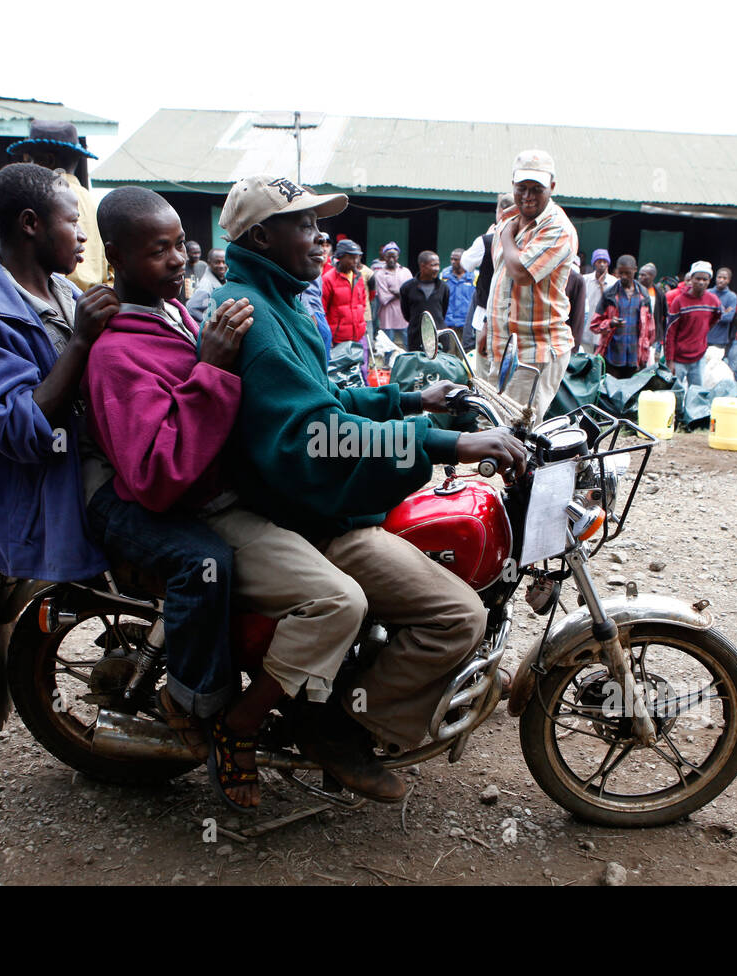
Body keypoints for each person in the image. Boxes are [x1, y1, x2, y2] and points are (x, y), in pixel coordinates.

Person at [209, 174, 526, 792]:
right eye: (302, 224)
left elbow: (328, 399)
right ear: (260, 236)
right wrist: (447, 442)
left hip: (319, 503)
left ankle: (347, 697)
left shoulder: (282, 303)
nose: (319, 236)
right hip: (307, 514)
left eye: (317, 223)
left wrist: (410, 398)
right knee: (458, 617)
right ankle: (337, 725)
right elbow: (322, 434)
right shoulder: (261, 319)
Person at [85, 186, 369, 811]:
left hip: (239, 491)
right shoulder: (117, 354)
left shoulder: (181, 316)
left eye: (179, 246)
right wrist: (211, 368)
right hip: (202, 509)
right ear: (118, 257)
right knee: (338, 602)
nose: (177, 261)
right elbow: (162, 473)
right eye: (158, 251)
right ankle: (228, 721)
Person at [479, 149, 579, 415]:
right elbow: (499, 279)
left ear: (552, 187)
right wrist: (487, 326)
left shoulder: (557, 227)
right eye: (522, 187)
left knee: (516, 433)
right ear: (512, 185)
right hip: (501, 346)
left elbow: (520, 274)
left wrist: (506, 236)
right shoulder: (510, 221)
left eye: (537, 189)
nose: (527, 196)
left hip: (535, 351)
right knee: (493, 424)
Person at [6, 121, 108, 291]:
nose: (29, 166)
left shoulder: (45, 200)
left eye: (31, 159)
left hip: (61, 301)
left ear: (48, 160)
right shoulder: (92, 201)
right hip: (96, 298)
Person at [461, 194, 513, 351]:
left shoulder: (487, 241)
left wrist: (489, 236)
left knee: (485, 367)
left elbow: (466, 263)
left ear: (500, 212)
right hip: (517, 317)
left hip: (487, 313)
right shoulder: (529, 239)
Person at [589, 254, 654, 379]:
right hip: (612, 355)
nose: (624, 277)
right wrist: (610, 323)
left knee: (631, 392)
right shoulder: (610, 294)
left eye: (627, 273)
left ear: (635, 270)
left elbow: (650, 328)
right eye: (621, 273)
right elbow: (594, 324)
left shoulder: (643, 295)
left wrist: (646, 349)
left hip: (635, 356)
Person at [664, 261, 721, 390]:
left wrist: (702, 332)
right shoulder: (679, 302)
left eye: (705, 279)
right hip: (678, 358)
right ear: (691, 279)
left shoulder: (713, 301)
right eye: (698, 278)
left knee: (696, 394)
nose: (701, 282)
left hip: (699, 356)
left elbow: (716, 317)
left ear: (709, 281)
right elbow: (670, 332)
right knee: (674, 393)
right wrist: (670, 360)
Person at [321, 239, 369, 352]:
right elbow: (322, 311)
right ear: (341, 257)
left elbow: (362, 302)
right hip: (337, 339)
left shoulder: (358, 277)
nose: (356, 261)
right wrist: (328, 337)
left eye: (357, 257)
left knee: (360, 368)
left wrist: (361, 326)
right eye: (351, 257)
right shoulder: (328, 279)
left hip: (358, 336)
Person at [400, 251, 449, 349]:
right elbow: (407, 315)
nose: (437, 269)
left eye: (438, 265)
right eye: (433, 265)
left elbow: (443, 311)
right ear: (422, 266)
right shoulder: (407, 287)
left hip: (438, 337)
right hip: (416, 337)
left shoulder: (443, 287)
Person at [374, 243, 412, 350]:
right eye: (388, 256)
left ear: (397, 257)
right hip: (387, 314)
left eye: (393, 256)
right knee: (387, 343)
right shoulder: (380, 274)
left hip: (403, 313)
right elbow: (383, 297)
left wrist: (395, 292)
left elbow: (409, 292)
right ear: (384, 257)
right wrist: (400, 293)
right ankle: (386, 364)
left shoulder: (405, 272)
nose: (391, 259)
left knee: (407, 342)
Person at [581, 249, 615, 353]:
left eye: (604, 262)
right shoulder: (585, 279)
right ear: (594, 263)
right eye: (599, 261)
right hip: (586, 328)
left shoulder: (613, 282)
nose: (602, 265)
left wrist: (601, 285)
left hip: (602, 329)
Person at [184, 248, 228, 321]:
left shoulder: (222, 279)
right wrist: (210, 323)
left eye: (224, 262)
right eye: (217, 262)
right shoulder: (206, 285)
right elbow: (191, 308)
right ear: (209, 263)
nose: (221, 266)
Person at [441, 247, 476, 341]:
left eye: (456, 259)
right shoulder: (444, 275)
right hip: (449, 323)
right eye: (451, 259)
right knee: (449, 353)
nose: (452, 262)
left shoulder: (474, 276)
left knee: (464, 352)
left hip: (467, 323)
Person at [707, 266, 737, 354]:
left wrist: (710, 313)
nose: (721, 280)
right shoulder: (707, 293)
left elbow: (728, 317)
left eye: (725, 278)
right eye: (719, 277)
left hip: (719, 341)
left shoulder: (732, 297)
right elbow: (701, 314)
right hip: (703, 337)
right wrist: (722, 312)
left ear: (729, 280)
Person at [638, 263, 668, 351]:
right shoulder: (635, 290)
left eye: (643, 275)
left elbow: (664, 314)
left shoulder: (659, 293)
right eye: (639, 274)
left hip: (652, 333)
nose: (640, 277)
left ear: (652, 276)